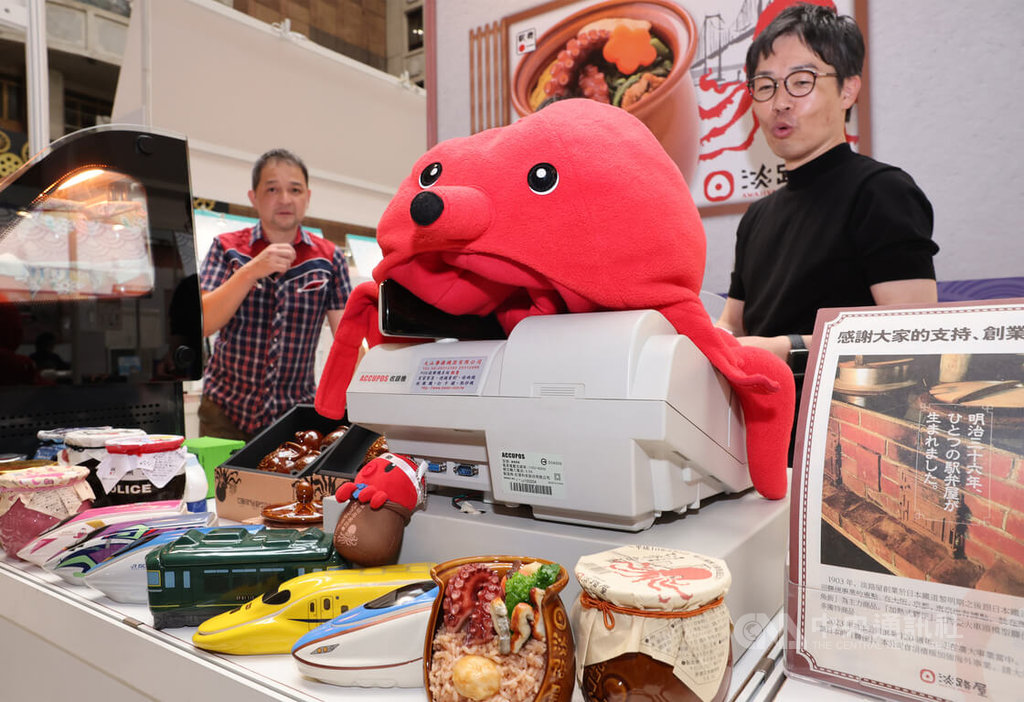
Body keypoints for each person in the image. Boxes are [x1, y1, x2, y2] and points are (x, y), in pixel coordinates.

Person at [716, 3, 939, 458]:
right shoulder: (756, 218)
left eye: (801, 81)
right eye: (765, 85)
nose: (780, 101)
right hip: (758, 435)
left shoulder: (882, 192)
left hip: (850, 442)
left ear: (847, 90)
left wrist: (785, 348)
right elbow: (732, 323)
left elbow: (915, 333)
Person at [198, 149, 352, 440]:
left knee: (291, 486)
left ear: (307, 196)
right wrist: (250, 271)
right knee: (219, 486)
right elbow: (204, 322)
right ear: (253, 197)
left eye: (294, 190)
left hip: (297, 414)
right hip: (224, 410)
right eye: (272, 189)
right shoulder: (226, 248)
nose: (284, 199)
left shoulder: (330, 258)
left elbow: (348, 338)